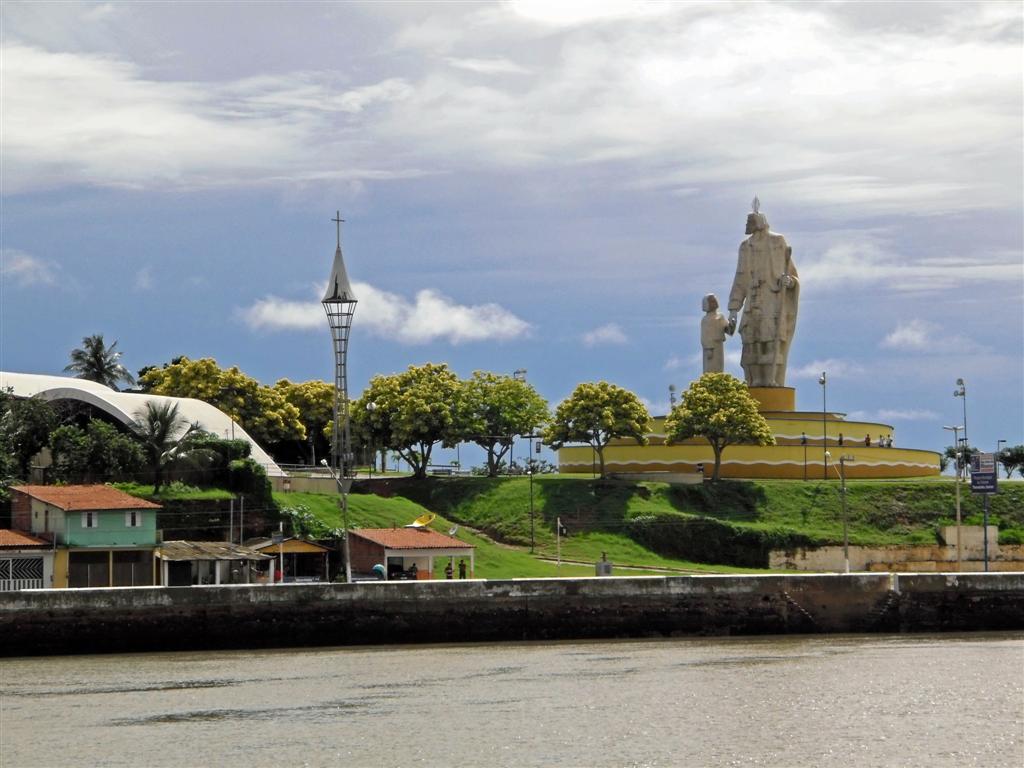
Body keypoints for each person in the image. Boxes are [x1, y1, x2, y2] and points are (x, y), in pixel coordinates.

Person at [728, 198, 799, 387]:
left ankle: (770, 379)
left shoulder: (777, 241)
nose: (746, 225)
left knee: (769, 339)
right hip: (752, 300)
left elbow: (791, 274)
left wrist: (789, 281)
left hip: (771, 299)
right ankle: (755, 379)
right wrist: (734, 308)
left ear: (759, 223)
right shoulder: (745, 247)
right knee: (752, 340)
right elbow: (740, 277)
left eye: (749, 221)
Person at [700, 293, 734, 373]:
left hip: (719, 345)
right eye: (712, 301)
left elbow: (728, 330)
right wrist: (708, 348)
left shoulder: (721, 317)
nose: (715, 302)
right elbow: (704, 336)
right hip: (710, 348)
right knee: (710, 367)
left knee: (719, 367)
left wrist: (732, 324)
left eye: (715, 300)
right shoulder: (705, 320)